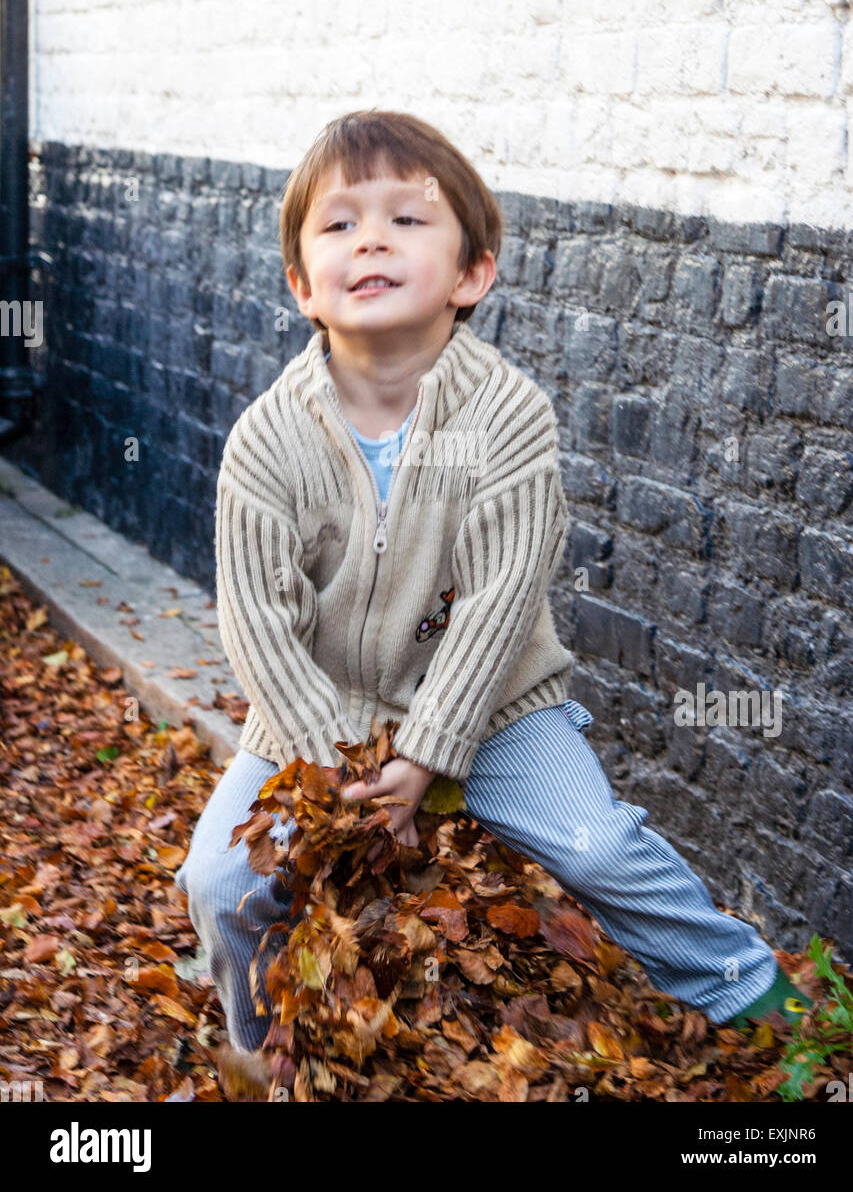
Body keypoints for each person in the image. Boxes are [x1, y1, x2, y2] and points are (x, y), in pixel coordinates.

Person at [174, 109, 812, 1054]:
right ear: (304, 285)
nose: (374, 239)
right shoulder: (269, 440)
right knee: (220, 882)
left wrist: (426, 751)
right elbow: (260, 624)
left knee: (598, 844)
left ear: (473, 274)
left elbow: (498, 602)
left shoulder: (508, 415)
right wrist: (339, 759)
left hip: (495, 707)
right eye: (341, 224)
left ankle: (757, 999)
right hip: (315, 722)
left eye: (409, 218)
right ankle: (264, 1044)